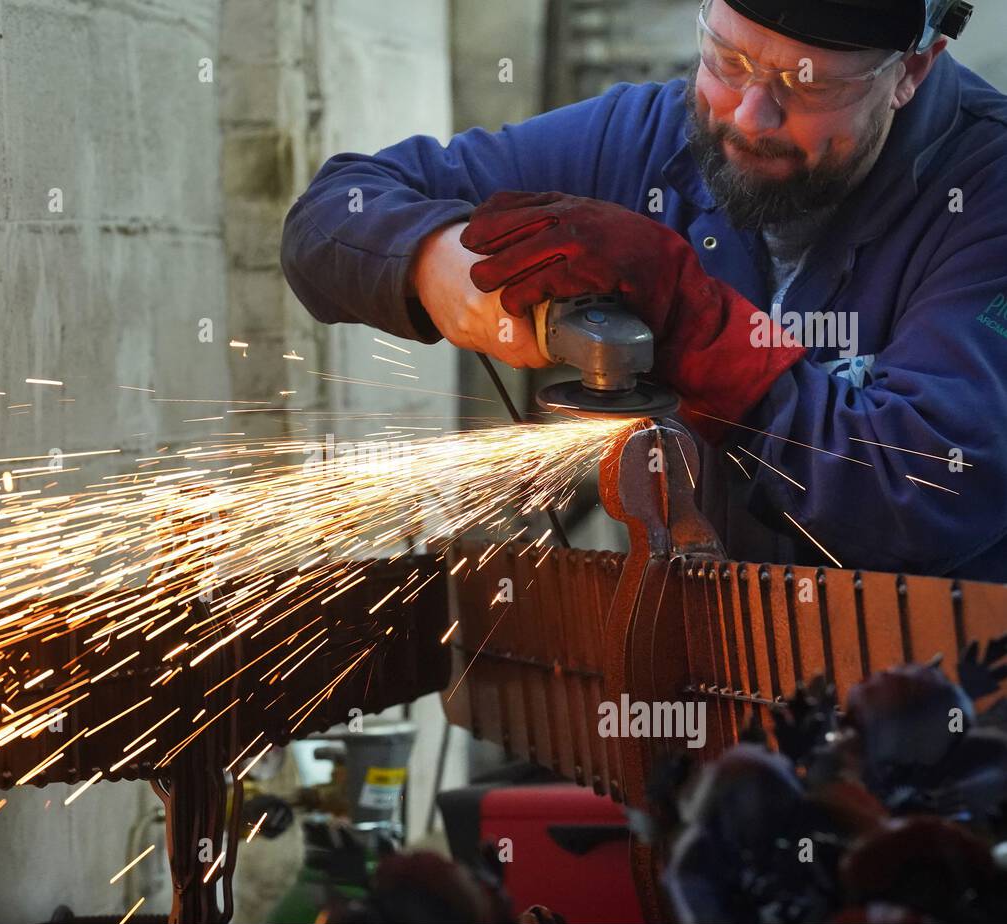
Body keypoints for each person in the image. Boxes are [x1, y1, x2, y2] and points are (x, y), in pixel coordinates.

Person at [281, 0, 1007, 581]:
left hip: (938, 718)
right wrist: (439, 261)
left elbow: (922, 495)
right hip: (709, 699)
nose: (751, 116)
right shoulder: (644, 136)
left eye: (809, 84)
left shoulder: (987, 189)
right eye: (729, 61)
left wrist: (691, 321)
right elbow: (329, 214)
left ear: (912, 68)